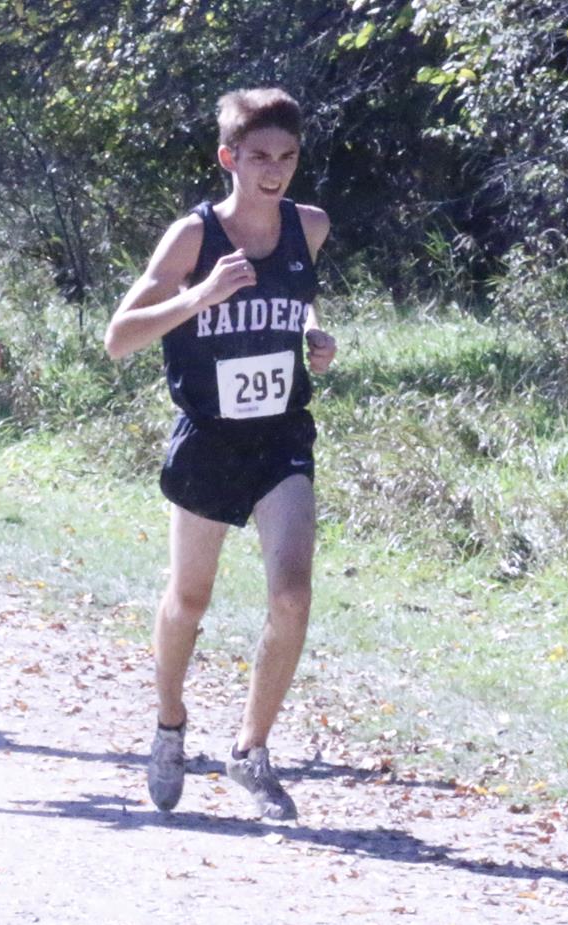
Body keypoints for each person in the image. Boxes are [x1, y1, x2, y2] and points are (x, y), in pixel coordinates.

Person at [104, 88, 337, 822]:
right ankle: (170, 723)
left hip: (280, 436)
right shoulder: (193, 237)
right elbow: (119, 337)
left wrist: (316, 339)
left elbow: (298, 297)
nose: (274, 171)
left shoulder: (311, 226)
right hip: (209, 436)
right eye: (259, 157)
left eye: (287, 157)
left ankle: (251, 749)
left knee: (293, 593)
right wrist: (200, 295)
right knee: (190, 599)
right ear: (228, 157)